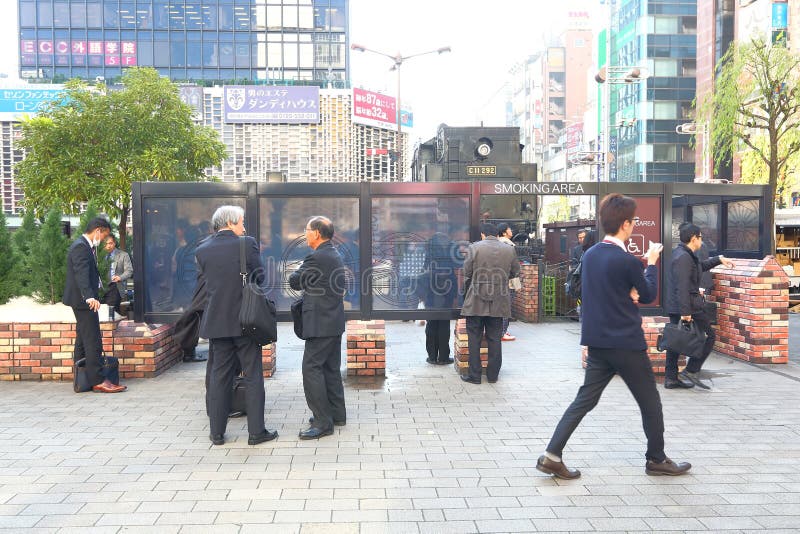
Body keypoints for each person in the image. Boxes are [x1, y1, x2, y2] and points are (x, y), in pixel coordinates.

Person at [536, 193, 691, 479]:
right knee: (650, 402)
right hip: (626, 343)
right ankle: (656, 459)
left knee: (585, 399)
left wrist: (627, 288)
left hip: (597, 342)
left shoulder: (592, 254)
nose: (633, 225)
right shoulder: (628, 261)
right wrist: (653, 263)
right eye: (632, 221)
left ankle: (551, 455)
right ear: (625, 224)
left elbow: (605, 288)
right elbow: (647, 294)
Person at [195, 205, 278, 446]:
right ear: (231, 222)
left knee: (219, 376)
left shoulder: (202, 250)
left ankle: (217, 433)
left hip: (217, 322)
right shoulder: (246, 244)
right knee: (252, 375)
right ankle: (256, 432)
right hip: (245, 320)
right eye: (241, 222)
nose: (244, 226)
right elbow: (259, 277)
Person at [290, 216, 347, 440]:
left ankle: (323, 422)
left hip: (320, 323)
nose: (305, 234)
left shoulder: (317, 257)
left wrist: (298, 270)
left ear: (316, 233)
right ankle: (336, 414)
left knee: (311, 368)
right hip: (332, 321)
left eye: (306, 230)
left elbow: (295, 281)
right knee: (330, 369)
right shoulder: (333, 253)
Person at [664, 223, 735, 389]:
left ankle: (671, 378)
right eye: (700, 237)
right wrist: (686, 312)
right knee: (709, 336)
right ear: (694, 238)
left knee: (675, 342)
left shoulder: (684, 254)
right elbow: (681, 286)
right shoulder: (683, 257)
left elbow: (700, 267)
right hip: (687, 306)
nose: (702, 240)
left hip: (681, 306)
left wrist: (718, 260)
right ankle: (691, 370)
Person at [63, 217, 126, 393]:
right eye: (104, 234)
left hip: (82, 300)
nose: (104, 239)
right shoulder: (81, 247)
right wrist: (90, 297)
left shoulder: (84, 246)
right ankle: (98, 380)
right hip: (84, 302)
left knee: (83, 337)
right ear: (97, 230)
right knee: (93, 339)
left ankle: (82, 377)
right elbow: (81, 274)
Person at [460, 222, 520, 385]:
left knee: (474, 338)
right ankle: (493, 376)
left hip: (476, 300)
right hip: (499, 300)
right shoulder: (509, 249)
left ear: (483, 234)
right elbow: (515, 271)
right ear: (497, 234)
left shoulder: (474, 248)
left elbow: (467, 272)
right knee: (494, 338)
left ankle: (475, 375)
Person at [422, 232, 458, 365]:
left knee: (431, 322)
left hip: (431, 291)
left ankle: (432, 356)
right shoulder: (450, 251)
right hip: (447, 291)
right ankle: (443, 357)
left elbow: (424, 270)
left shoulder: (429, 253)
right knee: (444, 322)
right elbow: (456, 266)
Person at [103, 235, 133, 319]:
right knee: (102, 311)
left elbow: (129, 271)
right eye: (106, 244)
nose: (108, 246)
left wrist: (120, 277)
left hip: (115, 285)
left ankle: (113, 328)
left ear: (114, 243)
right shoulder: (99, 256)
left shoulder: (123, 255)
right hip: (102, 287)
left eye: (110, 243)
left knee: (111, 309)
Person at [497, 223, 518, 341]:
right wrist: (517, 285)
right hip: (508, 281)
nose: (511, 231)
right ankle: (502, 332)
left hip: (499, 280)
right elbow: (513, 267)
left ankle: (502, 331)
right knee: (506, 306)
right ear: (504, 232)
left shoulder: (497, 243)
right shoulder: (508, 245)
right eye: (509, 229)